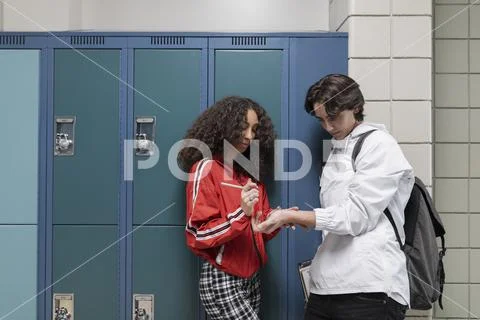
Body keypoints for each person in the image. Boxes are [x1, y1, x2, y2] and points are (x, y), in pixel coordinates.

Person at [253, 74, 414, 319]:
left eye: (334, 117)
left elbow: (356, 217)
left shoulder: (379, 144)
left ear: (356, 106)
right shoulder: (338, 151)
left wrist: (295, 217)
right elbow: (336, 216)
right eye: (322, 120)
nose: (328, 127)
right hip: (326, 288)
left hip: (371, 289)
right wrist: (297, 218)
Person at [179, 96, 292, 320]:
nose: (250, 136)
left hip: (252, 277)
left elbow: (258, 229)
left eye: (255, 129)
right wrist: (241, 213)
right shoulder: (206, 168)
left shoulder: (249, 175)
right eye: (243, 127)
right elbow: (197, 234)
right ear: (225, 126)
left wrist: (280, 218)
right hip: (223, 277)